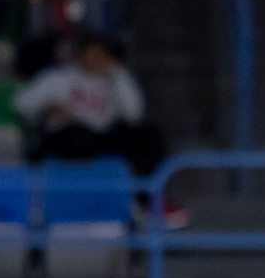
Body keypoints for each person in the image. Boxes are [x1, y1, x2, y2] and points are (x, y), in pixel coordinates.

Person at [12, 30, 164, 173]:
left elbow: (134, 114)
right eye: (89, 53)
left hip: (104, 133)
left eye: (99, 54)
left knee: (150, 136)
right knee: (77, 139)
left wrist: (119, 75)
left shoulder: (117, 79)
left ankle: (140, 193)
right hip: (72, 133)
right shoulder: (61, 78)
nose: (94, 59)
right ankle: (77, 193)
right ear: (80, 54)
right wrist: (48, 106)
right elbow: (21, 103)